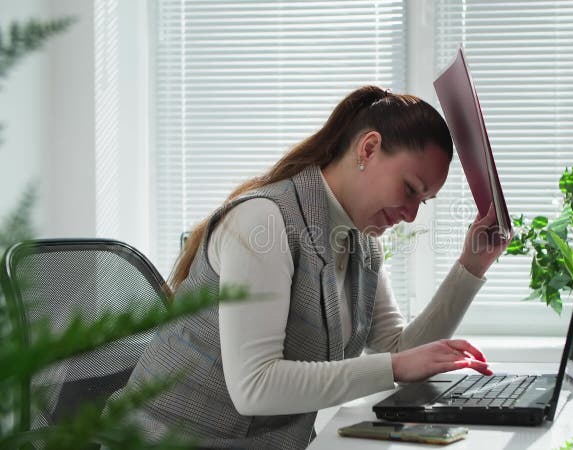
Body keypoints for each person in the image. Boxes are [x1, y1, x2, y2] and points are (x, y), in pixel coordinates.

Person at [112, 85, 508, 449]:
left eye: (424, 201)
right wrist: (394, 366)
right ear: (368, 149)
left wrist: (471, 267)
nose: (409, 214)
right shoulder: (263, 222)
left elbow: (399, 351)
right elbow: (255, 386)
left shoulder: (361, 242)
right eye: (409, 189)